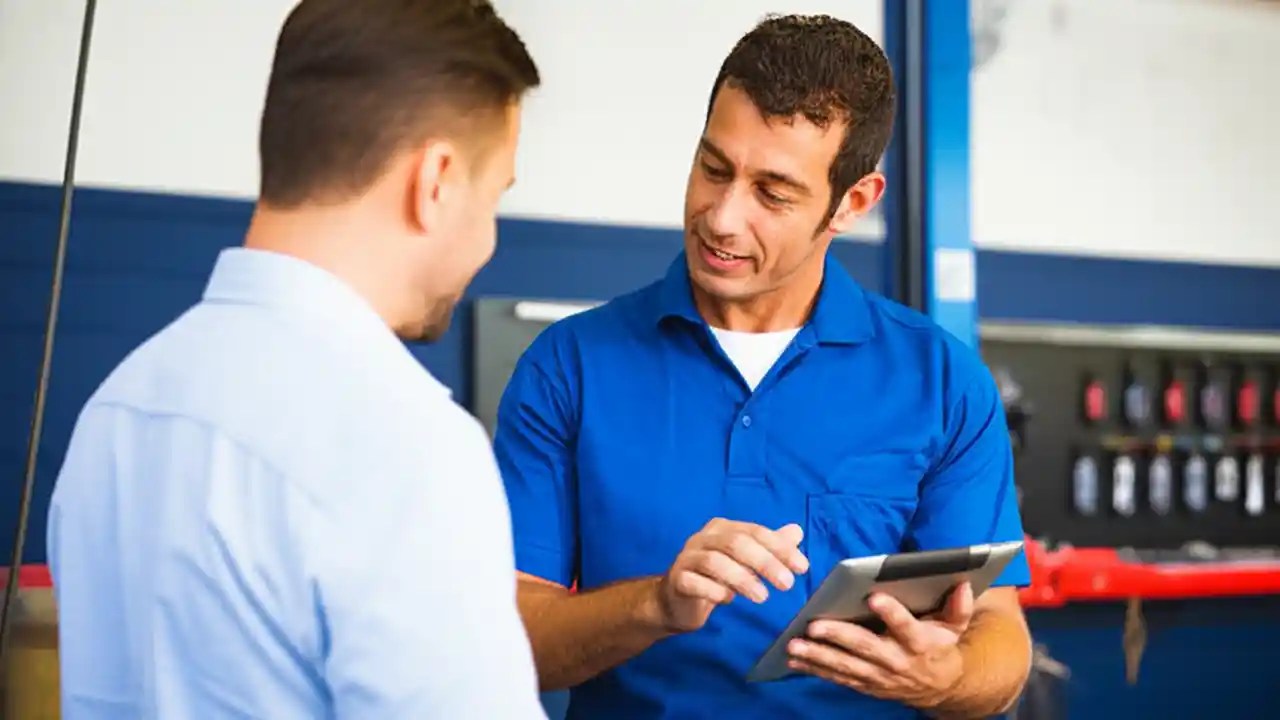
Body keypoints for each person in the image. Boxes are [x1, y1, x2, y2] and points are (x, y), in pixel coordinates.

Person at [495, 14, 1032, 719]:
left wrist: (945, 678)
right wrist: (655, 605)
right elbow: (505, 639)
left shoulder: (942, 383)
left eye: (773, 193)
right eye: (713, 168)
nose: (721, 217)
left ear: (853, 203)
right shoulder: (568, 369)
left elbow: (1001, 637)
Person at [45, 1, 547, 718]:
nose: (486, 241)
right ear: (434, 181)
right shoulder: (406, 446)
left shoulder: (118, 409)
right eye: (495, 196)